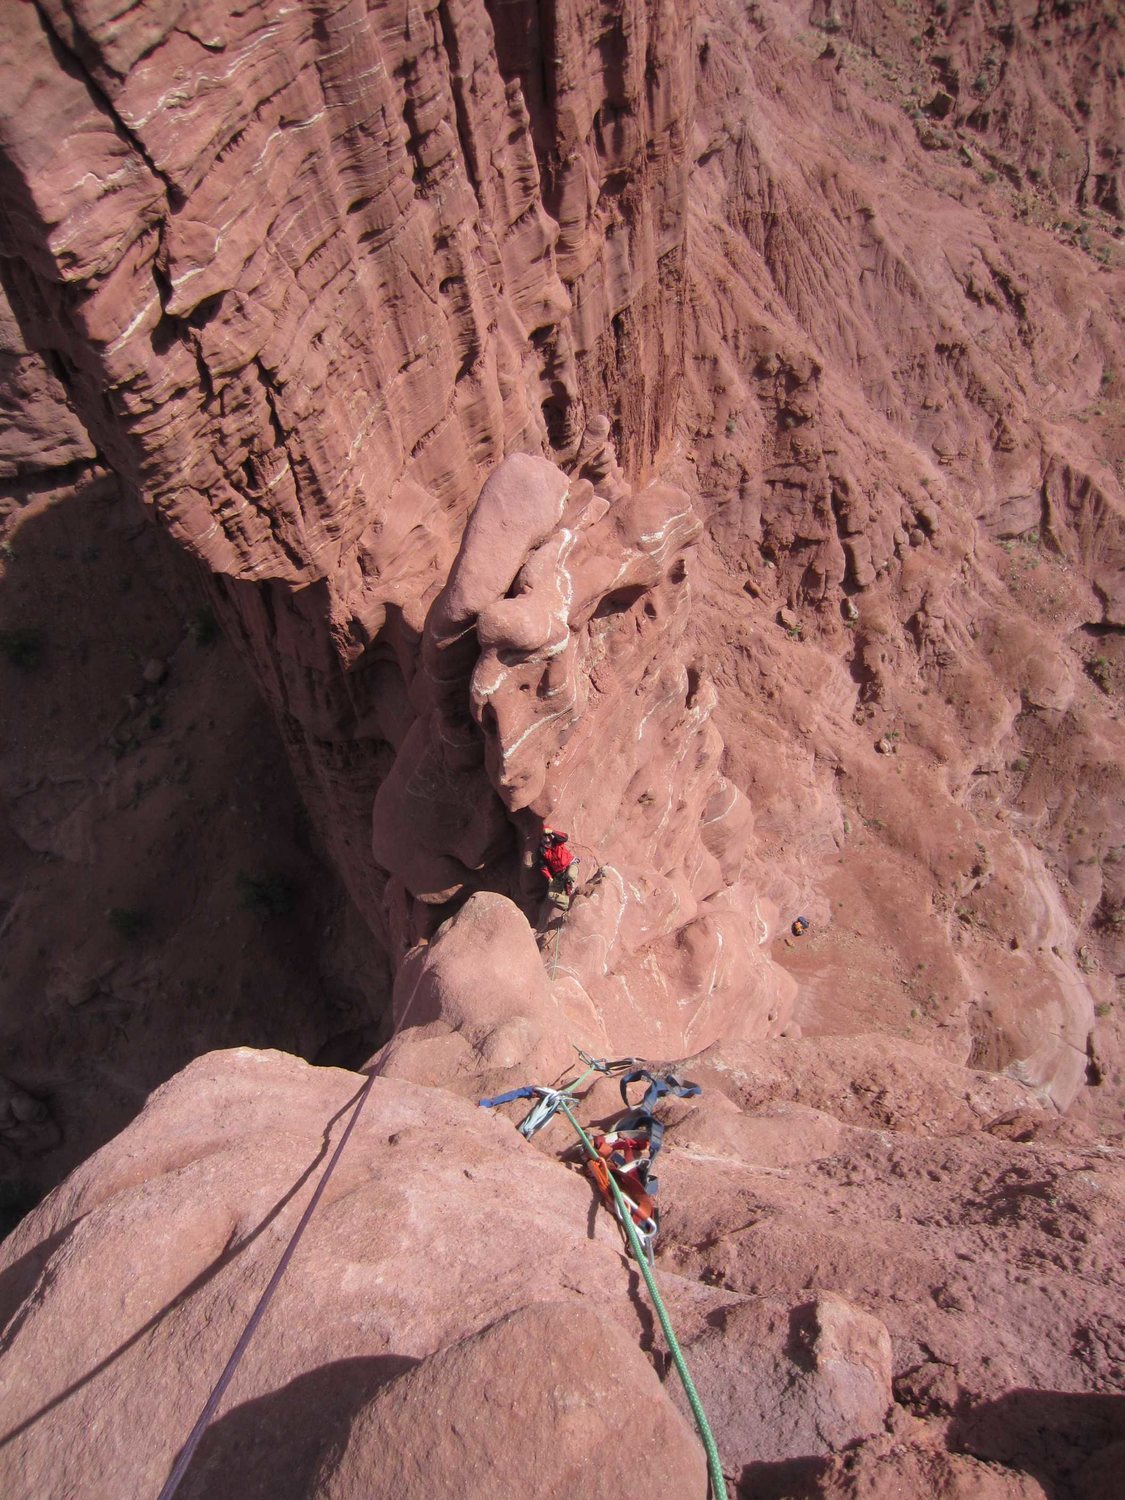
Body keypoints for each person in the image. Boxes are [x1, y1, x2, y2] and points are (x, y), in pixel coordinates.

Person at [538, 826, 577, 906]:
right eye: (544, 835)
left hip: (570, 865)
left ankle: (570, 886)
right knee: (551, 894)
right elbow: (543, 867)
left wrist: (552, 831)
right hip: (559, 874)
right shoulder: (542, 850)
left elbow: (565, 837)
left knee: (570, 875)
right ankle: (567, 903)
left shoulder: (557, 841)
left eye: (548, 835)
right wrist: (549, 878)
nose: (547, 837)